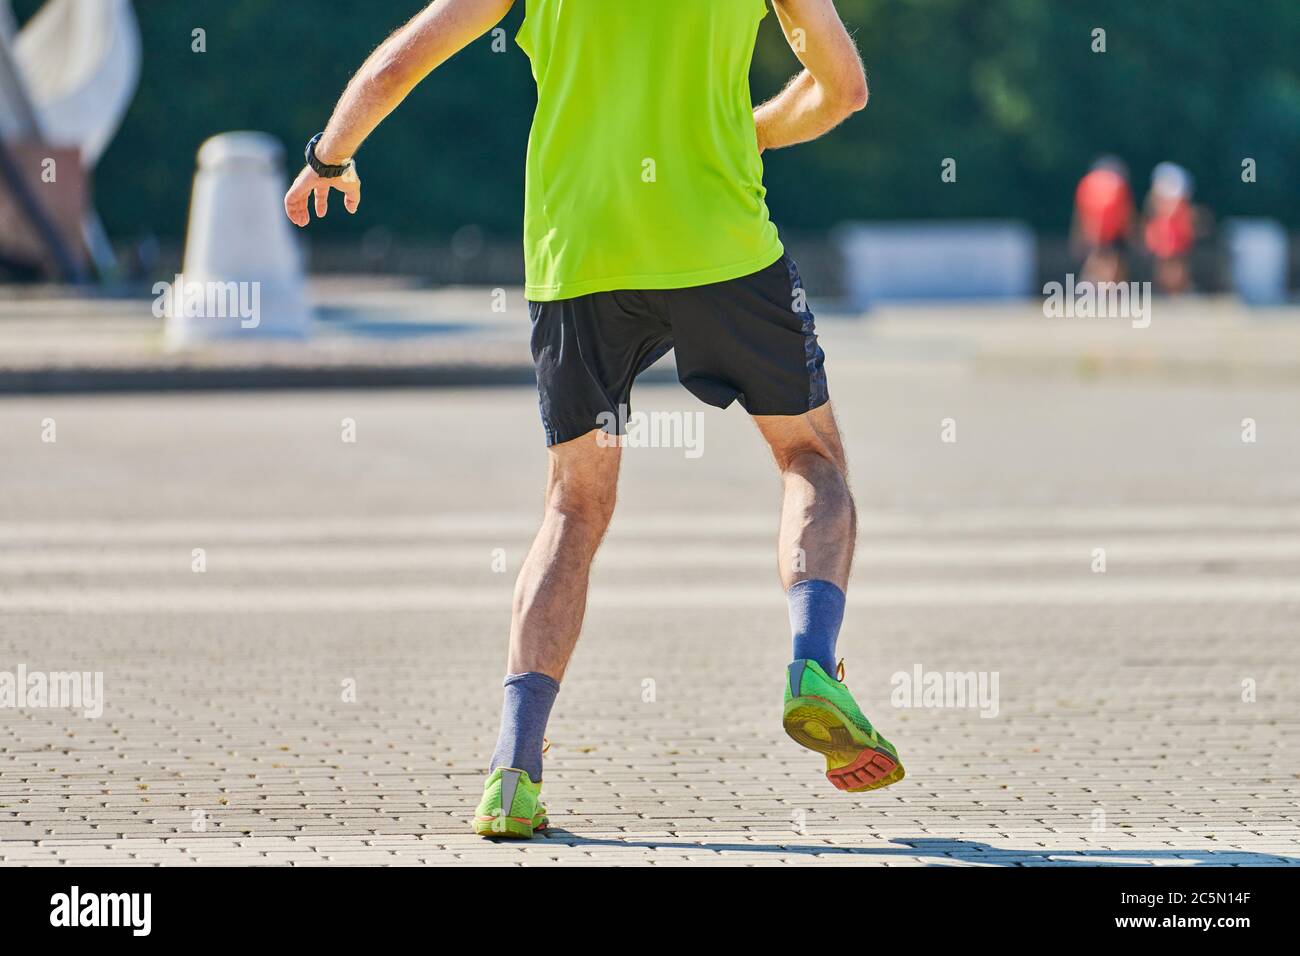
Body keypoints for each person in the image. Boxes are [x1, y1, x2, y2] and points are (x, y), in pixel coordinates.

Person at [284, 0, 902, 841]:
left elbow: (404, 60)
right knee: (809, 458)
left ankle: (513, 772)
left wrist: (331, 154)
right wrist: (739, 131)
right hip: (717, 239)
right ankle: (810, 661)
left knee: (573, 507)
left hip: (580, 253)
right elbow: (846, 90)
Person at [1071, 156, 1135, 284]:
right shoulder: (1118, 184)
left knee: (1097, 258)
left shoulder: (1087, 183)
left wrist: (1077, 235)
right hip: (1114, 233)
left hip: (1093, 232)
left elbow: (1079, 212)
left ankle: (1090, 284)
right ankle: (1105, 287)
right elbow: (1126, 213)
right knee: (1113, 261)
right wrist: (1132, 232)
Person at [1142, 162, 1198, 294]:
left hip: (1174, 235)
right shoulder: (1159, 216)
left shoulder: (1178, 211)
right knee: (1167, 262)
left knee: (1174, 262)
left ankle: (1176, 290)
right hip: (1164, 234)